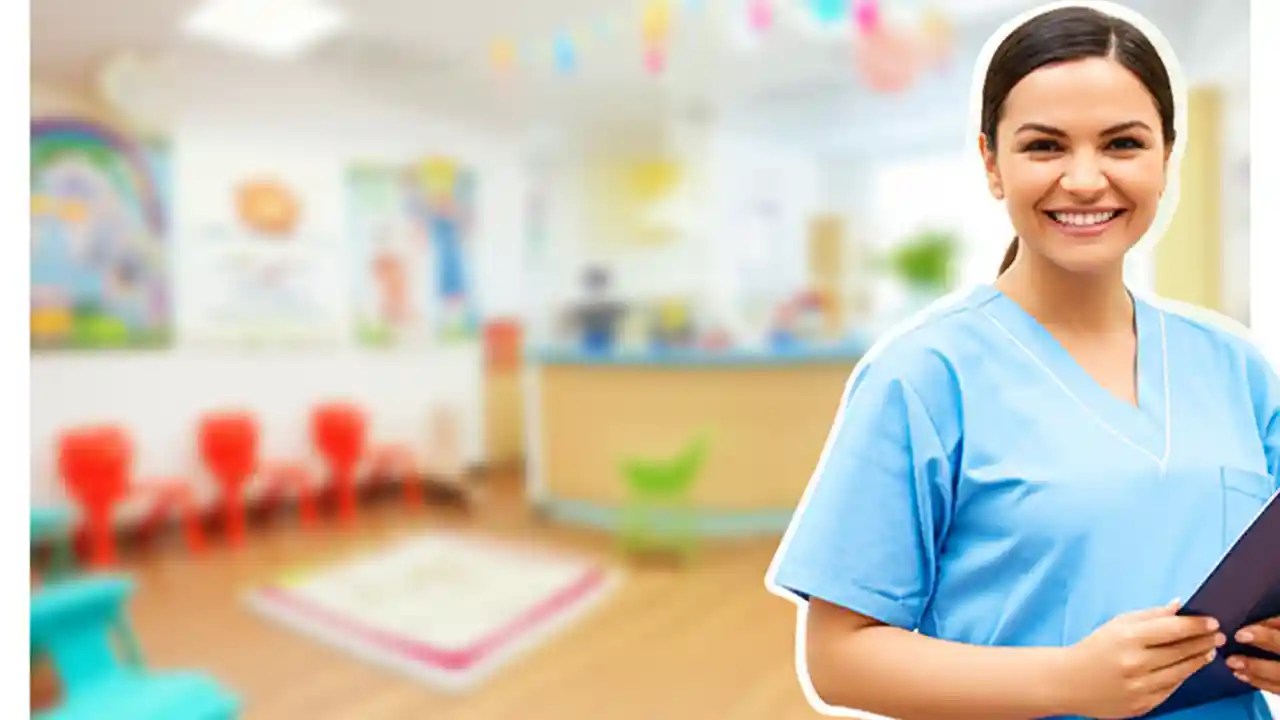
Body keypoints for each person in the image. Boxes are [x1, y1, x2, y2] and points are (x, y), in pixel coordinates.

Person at [765, 4, 1279, 719]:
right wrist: (1069, 682)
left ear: (1167, 156)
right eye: (1044, 147)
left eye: (1123, 143)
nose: (1085, 180)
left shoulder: (1237, 369)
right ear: (991, 165)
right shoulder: (923, 376)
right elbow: (839, 655)